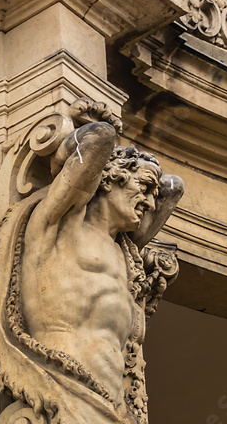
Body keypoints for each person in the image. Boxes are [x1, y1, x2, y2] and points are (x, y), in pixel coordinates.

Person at [22, 122, 183, 403]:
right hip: (62, 382)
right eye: (144, 188)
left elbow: (173, 189)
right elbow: (98, 139)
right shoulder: (62, 225)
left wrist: (153, 180)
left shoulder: (125, 250)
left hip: (110, 398)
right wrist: (62, 151)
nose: (151, 204)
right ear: (108, 180)